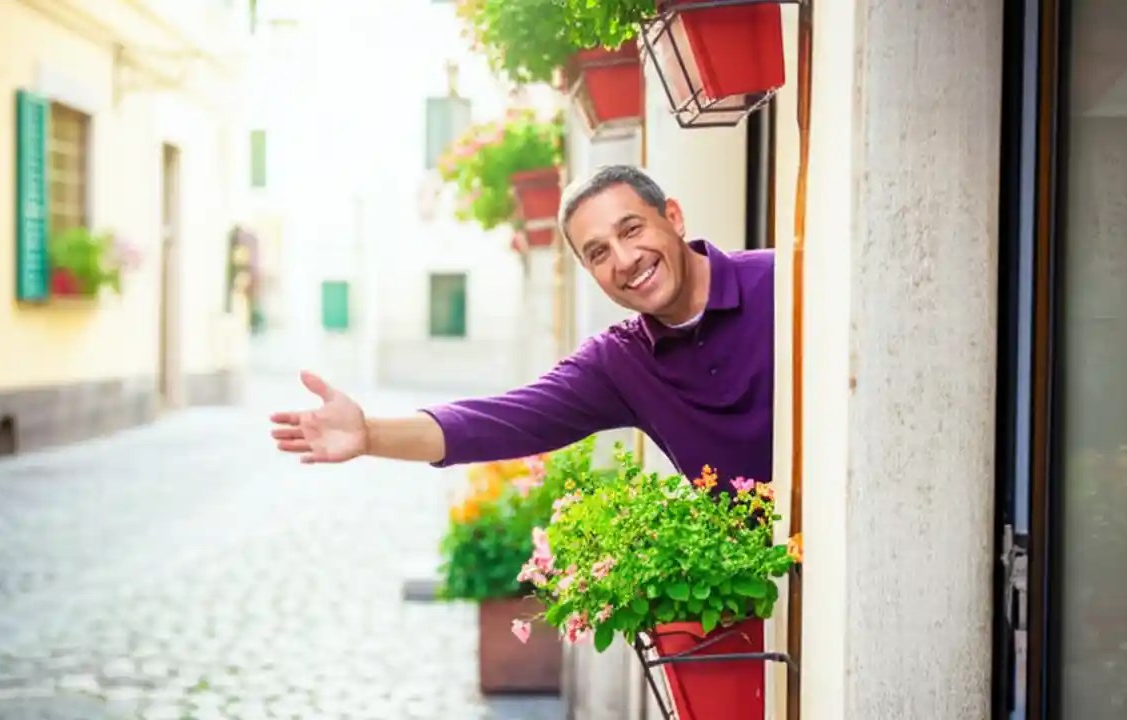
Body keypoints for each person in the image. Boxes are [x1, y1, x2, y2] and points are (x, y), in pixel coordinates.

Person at [269, 165, 774, 488]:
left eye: (632, 229)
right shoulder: (622, 363)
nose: (624, 259)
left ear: (674, 217)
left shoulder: (783, 282)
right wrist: (371, 434)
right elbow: (503, 422)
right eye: (598, 253)